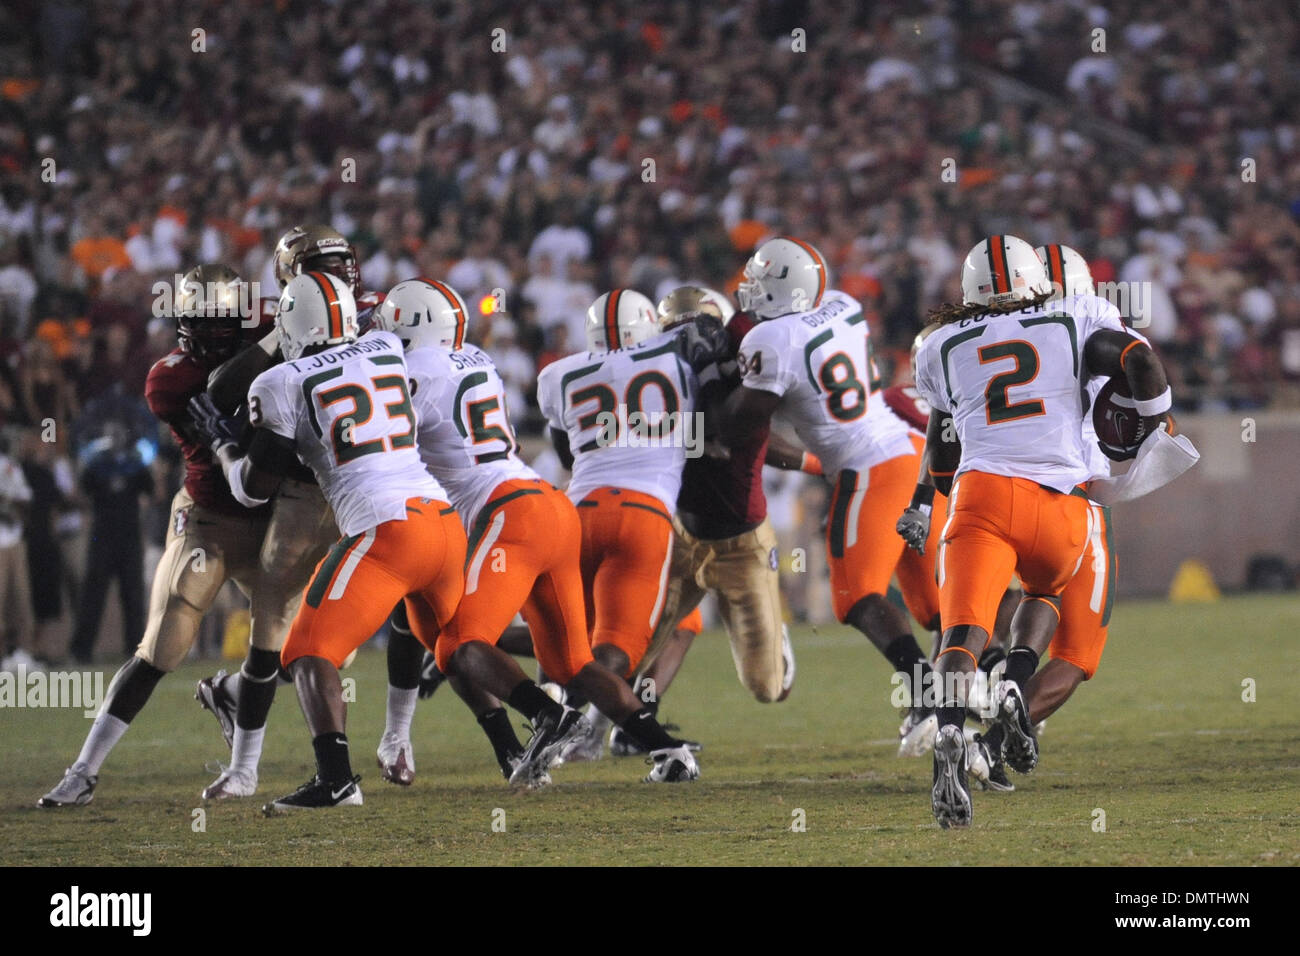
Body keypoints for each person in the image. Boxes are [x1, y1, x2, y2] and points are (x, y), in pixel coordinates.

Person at [375, 278, 700, 786]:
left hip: (513, 514)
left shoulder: (409, 376)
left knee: (456, 645)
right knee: (572, 662)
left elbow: (383, 444)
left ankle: (551, 717)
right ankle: (668, 750)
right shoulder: (475, 359)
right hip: (550, 505)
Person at [905, 235, 1176, 828]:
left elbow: (943, 437)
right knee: (1047, 595)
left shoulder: (940, 345)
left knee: (962, 632)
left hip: (980, 496)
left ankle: (950, 730)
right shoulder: (1077, 316)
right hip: (1064, 505)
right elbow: (1138, 361)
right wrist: (1157, 424)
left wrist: (930, 498)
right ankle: (1017, 679)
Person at [192, 271, 467, 811]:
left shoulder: (280, 382)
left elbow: (252, 490)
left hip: (385, 526)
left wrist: (223, 444)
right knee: (460, 644)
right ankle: (550, 716)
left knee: (304, 651)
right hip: (444, 521)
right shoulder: (386, 346)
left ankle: (337, 780)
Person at [38, 265, 272, 808]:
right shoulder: (168, 377)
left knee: (313, 646)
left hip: (271, 523)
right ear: (183, 321)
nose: (216, 330)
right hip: (210, 517)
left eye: (225, 319)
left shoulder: (268, 334)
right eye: (204, 320)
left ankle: (229, 693)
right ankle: (83, 770)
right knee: (162, 642)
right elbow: (228, 427)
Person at [719, 237, 942, 756]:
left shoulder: (771, 340)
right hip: (910, 453)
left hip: (869, 471)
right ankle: (994, 678)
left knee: (857, 597)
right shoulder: (843, 304)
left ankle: (931, 697)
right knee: (933, 605)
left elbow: (741, 429)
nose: (749, 288)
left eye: (761, 280)